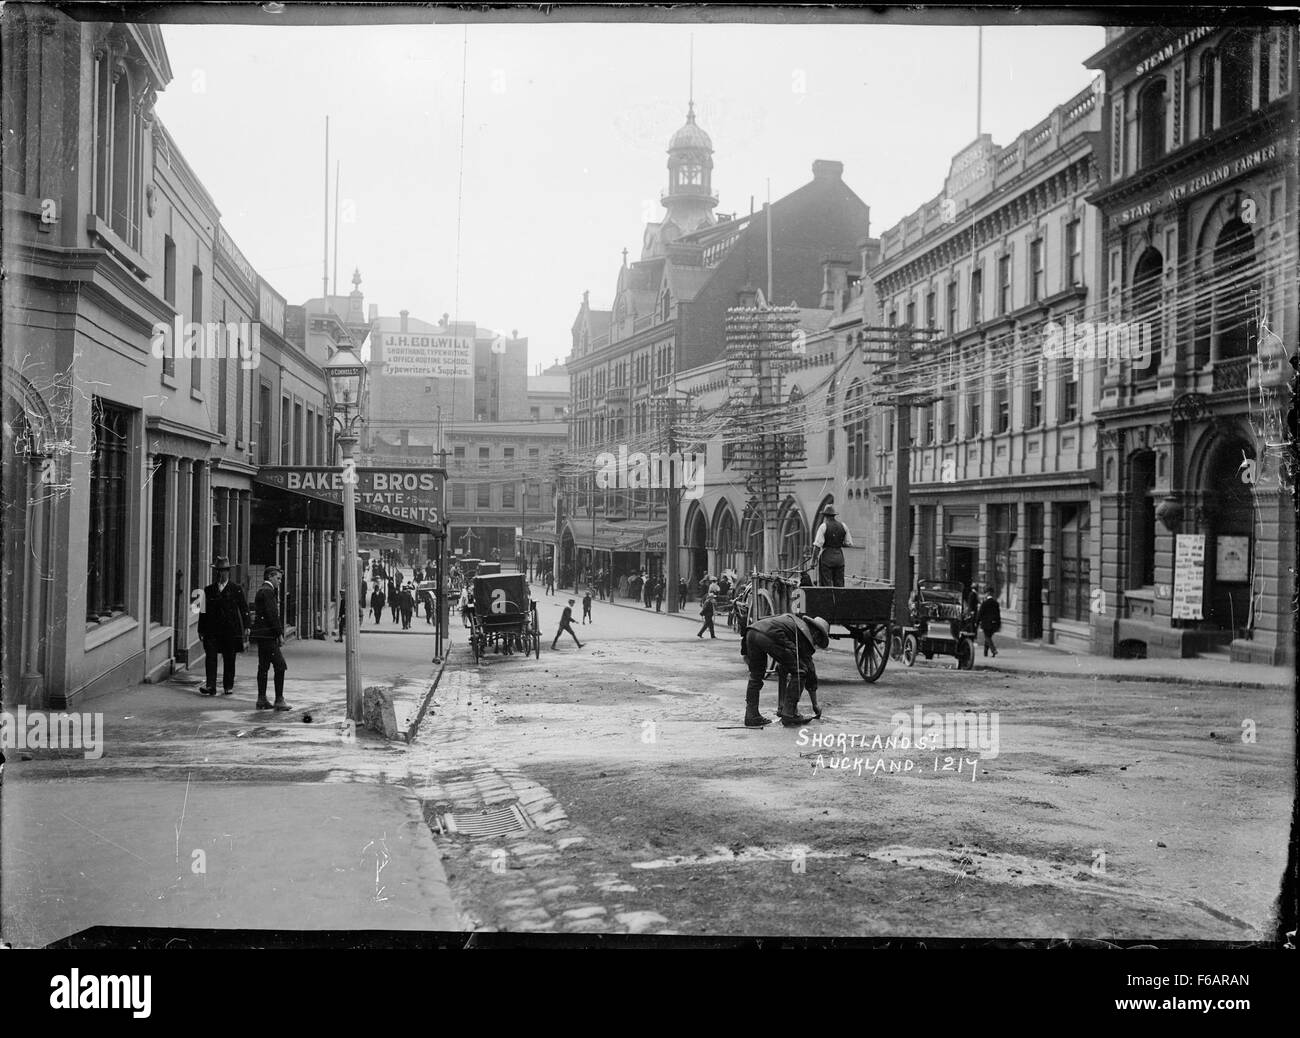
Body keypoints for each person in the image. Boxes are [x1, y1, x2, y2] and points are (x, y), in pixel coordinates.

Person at [741, 612, 830, 728]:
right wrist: (815, 705)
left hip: (752, 632)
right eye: (818, 640)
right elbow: (810, 673)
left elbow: (784, 664)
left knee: (756, 675)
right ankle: (789, 714)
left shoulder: (795, 624)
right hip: (770, 635)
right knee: (801, 671)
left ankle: (751, 716)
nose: (815, 643)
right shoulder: (805, 635)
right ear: (817, 634)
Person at [198, 556, 251, 697]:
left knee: (229, 658)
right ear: (216, 572)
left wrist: (247, 626)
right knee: (210, 657)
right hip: (211, 630)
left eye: (224, 571)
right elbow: (202, 611)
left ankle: (228, 686)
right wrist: (200, 629)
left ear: (229, 572)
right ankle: (210, 686)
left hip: (230, 630)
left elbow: (244, 608)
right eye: (219, 571)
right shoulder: (208, 590)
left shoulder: (236, 589)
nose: (222, 574)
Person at [250, 565, 290, 711]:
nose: (279, 581)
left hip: (262, 635)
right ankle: (279, 699)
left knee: (264, 666)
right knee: (280, 665)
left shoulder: (262, 590)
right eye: (278, 578)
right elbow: (272, 615)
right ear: (270, 577)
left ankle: (262, 699)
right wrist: (279, 634)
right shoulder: (268, 592)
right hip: (268, 636)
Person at [811, 505, 853, 587]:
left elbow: (817, 546)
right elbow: (849, 543)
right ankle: (840, 599)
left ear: (825, 516)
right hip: (839, 559)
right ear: (834, 516)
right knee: (839, 583)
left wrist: (813, 561)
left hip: (826, 558)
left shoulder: (823, 526)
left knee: (826, 583)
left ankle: (828, 598)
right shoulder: (843, 526)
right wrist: (838, 543)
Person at [978, 587, 1002, 657]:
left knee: (987, 637)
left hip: (986, 624)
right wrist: (998, 623)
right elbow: (998, 614)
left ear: (987, 594)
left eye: (985, 593)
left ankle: (993, 650)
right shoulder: (996, 603)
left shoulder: (984, 603)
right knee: (988, 637)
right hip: (994, 624)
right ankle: (985, 653)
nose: (984, 595)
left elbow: (980, 613)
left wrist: (977, 621)